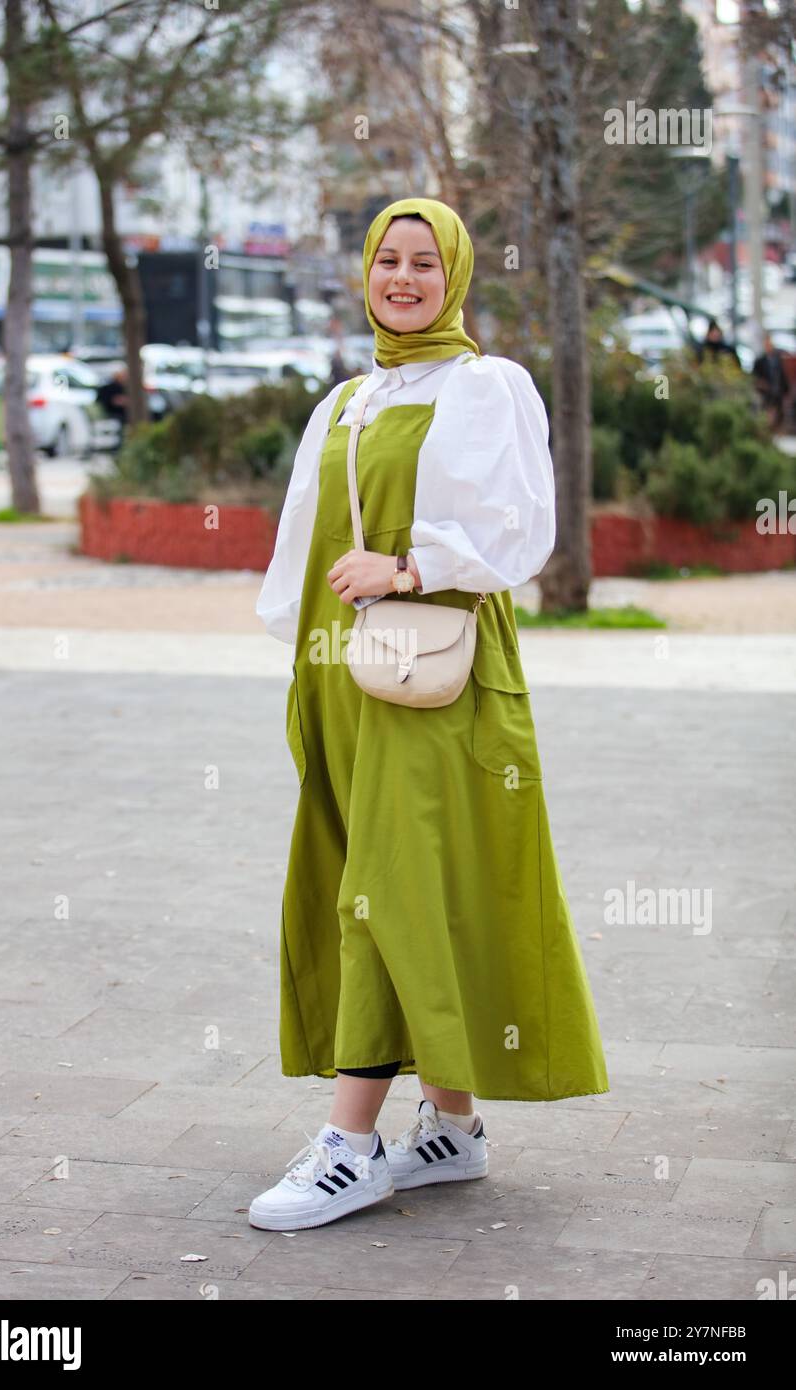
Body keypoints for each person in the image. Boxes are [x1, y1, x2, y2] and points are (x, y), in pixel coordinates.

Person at [250, 196, 609, 1232]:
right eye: (385, 260)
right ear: (364, 273)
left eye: (422, 262)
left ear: (454, 277)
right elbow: (297, 545)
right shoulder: (349, 399)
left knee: (388, 890)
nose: (401, 278)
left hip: (436, 678)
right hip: (343, 675)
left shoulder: (485, 386)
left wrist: (409, 564)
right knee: (369, 879)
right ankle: (449, 1128)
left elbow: (516, 529)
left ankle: (349, 1145)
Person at [752, 332, 791, 432]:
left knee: (777, 413)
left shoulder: (778, 360)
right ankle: (766, 430)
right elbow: (754, 378)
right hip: (765, 393)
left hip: (777, 391)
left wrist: (786, 391)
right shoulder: (759, 361)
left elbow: (782, 376)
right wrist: (761, 384)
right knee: (766, 411)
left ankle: (774, 430)